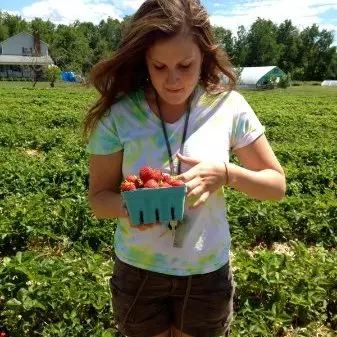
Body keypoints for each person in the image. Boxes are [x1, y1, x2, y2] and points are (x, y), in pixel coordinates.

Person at [83, 0, 286, 336]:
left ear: (204, 55)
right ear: (144, 61)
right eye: (159, 67)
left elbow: (275, 185)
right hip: (138, 273)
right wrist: (134, 208)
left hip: (206, 273)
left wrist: (226, 173)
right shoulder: (120, 115)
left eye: (185, 65)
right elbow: (98, 199)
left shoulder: (228, 106)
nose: (173, 80)